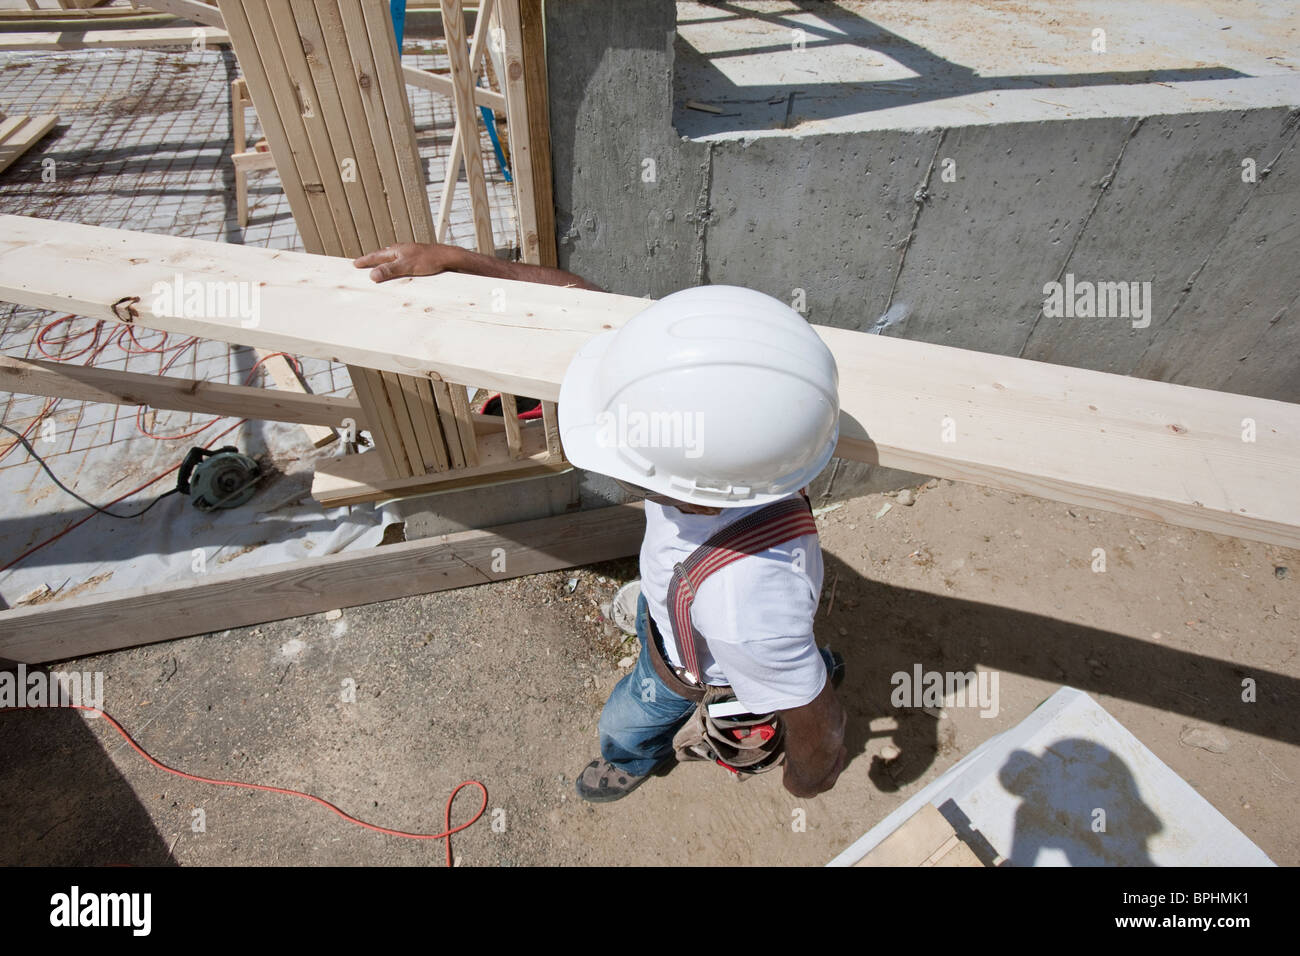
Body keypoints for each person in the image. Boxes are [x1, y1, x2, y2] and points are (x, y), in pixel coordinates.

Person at [355, 243, 848, 802]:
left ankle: (633, 756)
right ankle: (780, 664)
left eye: (635, 466)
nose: (624, 475)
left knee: (626, 721)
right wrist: (461, 263)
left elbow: (822, 732)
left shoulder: (742, 608)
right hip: (691, 604)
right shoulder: (748, 426)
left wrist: (805, 777)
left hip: (689, 664)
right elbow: (577, 299)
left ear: (701, 494)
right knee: (739, 642)